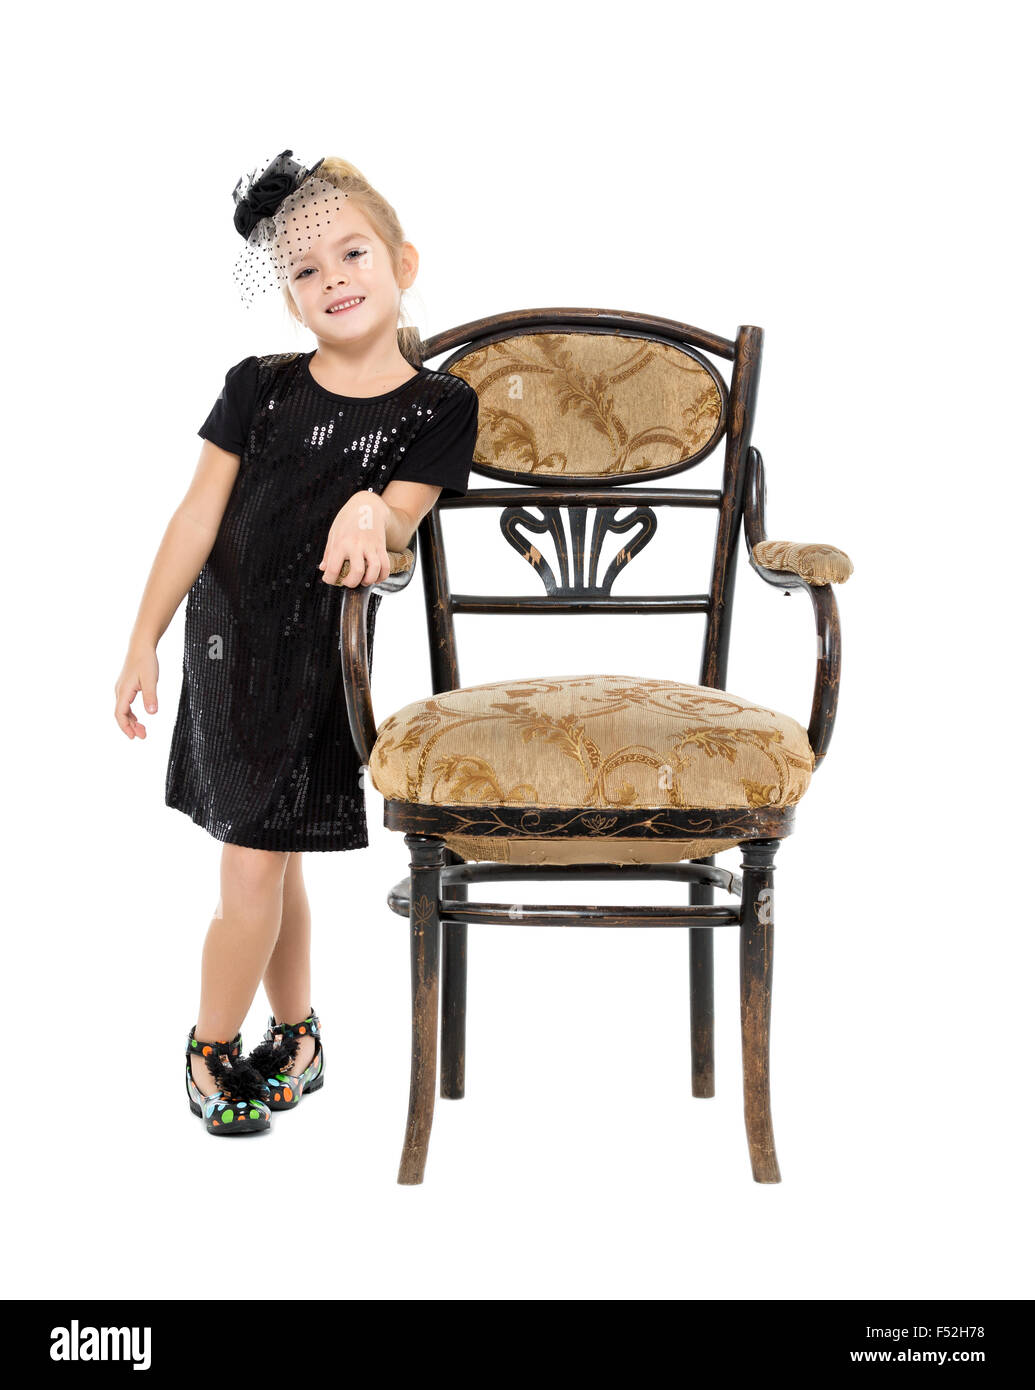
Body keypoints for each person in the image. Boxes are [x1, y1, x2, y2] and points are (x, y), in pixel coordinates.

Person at [113, 151, 479, 1136]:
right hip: (230, 654)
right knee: (257, 865)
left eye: (351, 253)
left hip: (321, 667)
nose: (333, 281)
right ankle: (233, 1043)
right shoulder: (259, 388)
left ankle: (249, 1039)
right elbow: (197, 515)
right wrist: (143, 637)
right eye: (305, 270)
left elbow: (400, 517)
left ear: (403, 259)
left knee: (273, 859)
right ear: (287, 298)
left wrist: (370, 502)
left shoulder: (439, 406)